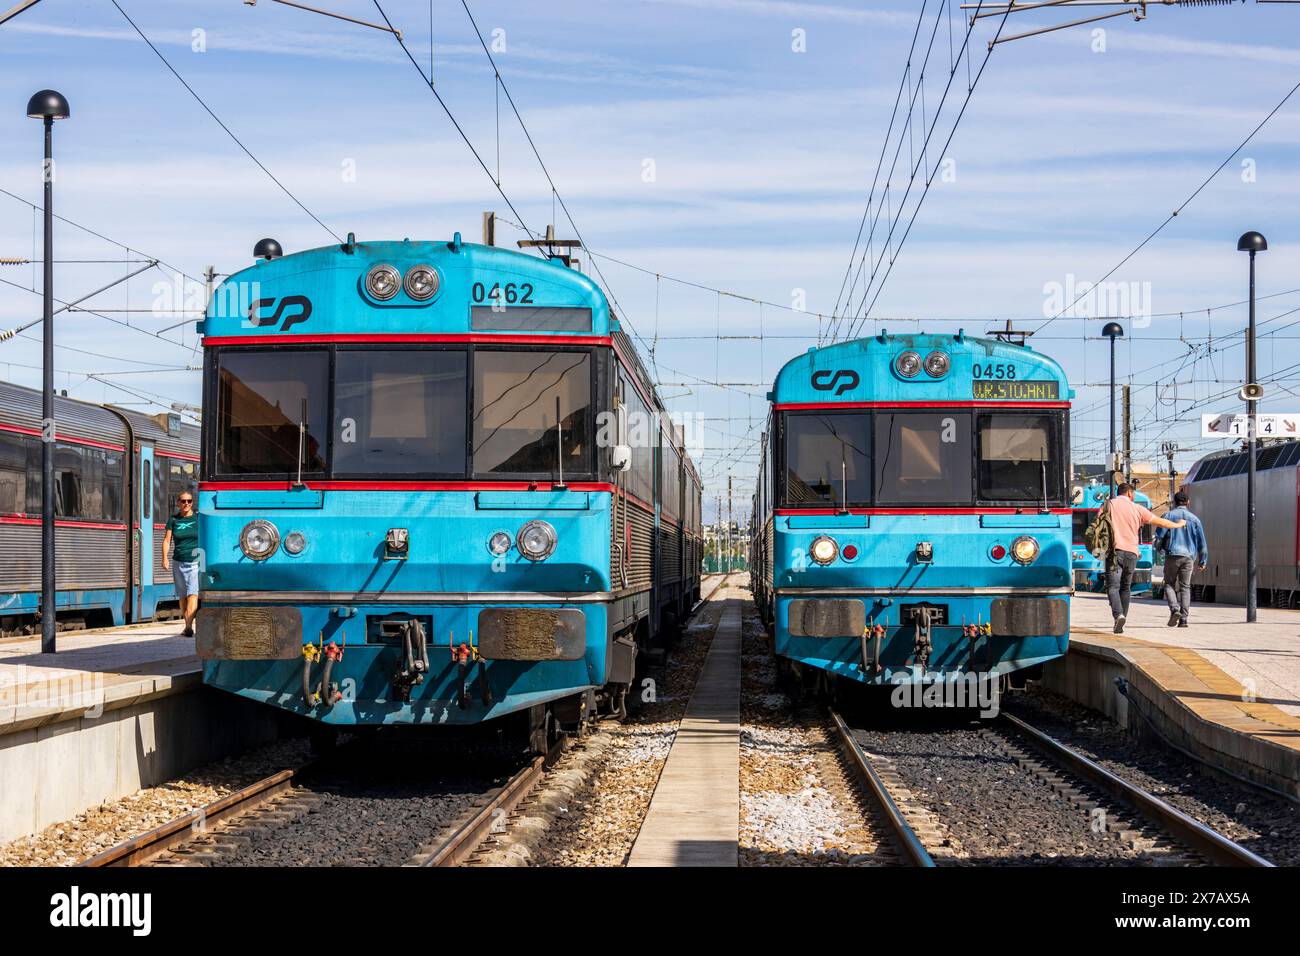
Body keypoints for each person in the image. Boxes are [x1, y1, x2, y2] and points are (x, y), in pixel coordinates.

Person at [1106, 483, 1185, 634]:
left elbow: (1097, 526)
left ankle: (1118, 615)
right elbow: (1160, 522)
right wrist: (1178, 525)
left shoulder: (1108, 505)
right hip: (1132, 553)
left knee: (1112, 586)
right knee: (1125, 587)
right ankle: (1122, 618)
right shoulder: (1137, 508)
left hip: (1113, 552)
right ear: (1129, 493)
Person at [1153, 490, 1208, 628]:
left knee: (1168, 584)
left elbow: (1159, 537)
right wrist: (1203, 560)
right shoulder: (1195, 520)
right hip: (1189, 557)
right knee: (1185, 587)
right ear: (1188, 503)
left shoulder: (1168, 516)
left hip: (1172, 555)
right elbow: (1202, 542)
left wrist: (1159, 550)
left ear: (1174, 502)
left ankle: (1174, 609)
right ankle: (1184, 619)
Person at [162, 491, 200, 637]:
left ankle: (189, 625)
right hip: (178, 561)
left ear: (192, 503)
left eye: (189, 501)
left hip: (195, 562)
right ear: (178, 503)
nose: (186, 504)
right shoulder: (173, 519)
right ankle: (187, 625)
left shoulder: (198, 518)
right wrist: (164, 558)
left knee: (193, 594)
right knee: (182, 595)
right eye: (183, 501)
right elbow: (167, 540)